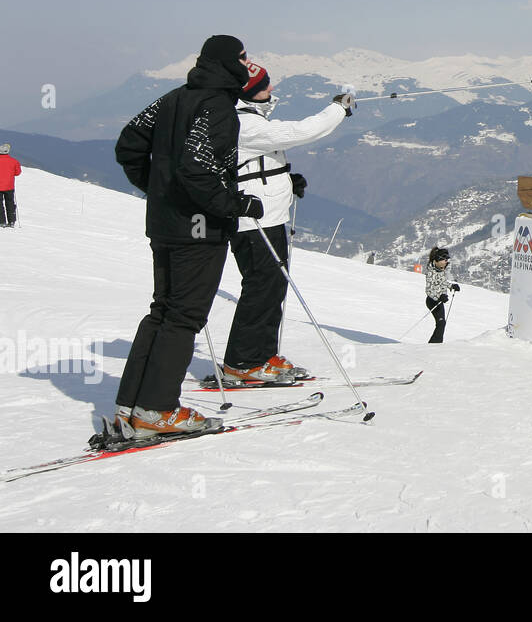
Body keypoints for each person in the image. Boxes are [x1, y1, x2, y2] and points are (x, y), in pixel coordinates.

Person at [113, 35, 262, 439]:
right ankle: (157, 410)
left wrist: (159, 190)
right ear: (233, 62)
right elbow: (197, 168)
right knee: (184, 316)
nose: (249, 64)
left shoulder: (174, 97)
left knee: (163, 310)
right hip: (197, 228)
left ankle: (132, 406)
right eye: (245, 57)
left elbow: (128, 143)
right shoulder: (218, 108)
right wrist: (232, 204)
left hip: (164, 222)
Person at [220, 61, 354, 384]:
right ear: (250, 93)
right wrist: (338, 109)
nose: (272, 89)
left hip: (268, 217)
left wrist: (285, 179)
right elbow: (299, 132)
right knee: (262, 287)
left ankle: (261, 354)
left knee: (273, 286)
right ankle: (243, 361)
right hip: (254, 222)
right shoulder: (245, 125)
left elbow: (257, 163)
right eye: (265, 85)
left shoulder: (250, 120)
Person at [424, 246, 460, 343]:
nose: (446, 262)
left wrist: (452, 286)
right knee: (441, 323)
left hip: (440, 301)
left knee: (442, 323)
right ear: (437, 260)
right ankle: (434, 345)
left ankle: (436, 344)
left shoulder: (441, 270)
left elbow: (442, 282)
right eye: (444, 260)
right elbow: (429, 290)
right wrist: (439, 297)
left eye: (446, 259)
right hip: (432, 301)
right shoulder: (431, 273)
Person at [0, 143, 19, 227]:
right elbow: (17, 173)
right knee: (10, 203)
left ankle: (2, 222)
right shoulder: (14, 161)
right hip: (9, 186)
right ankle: (11, 222)